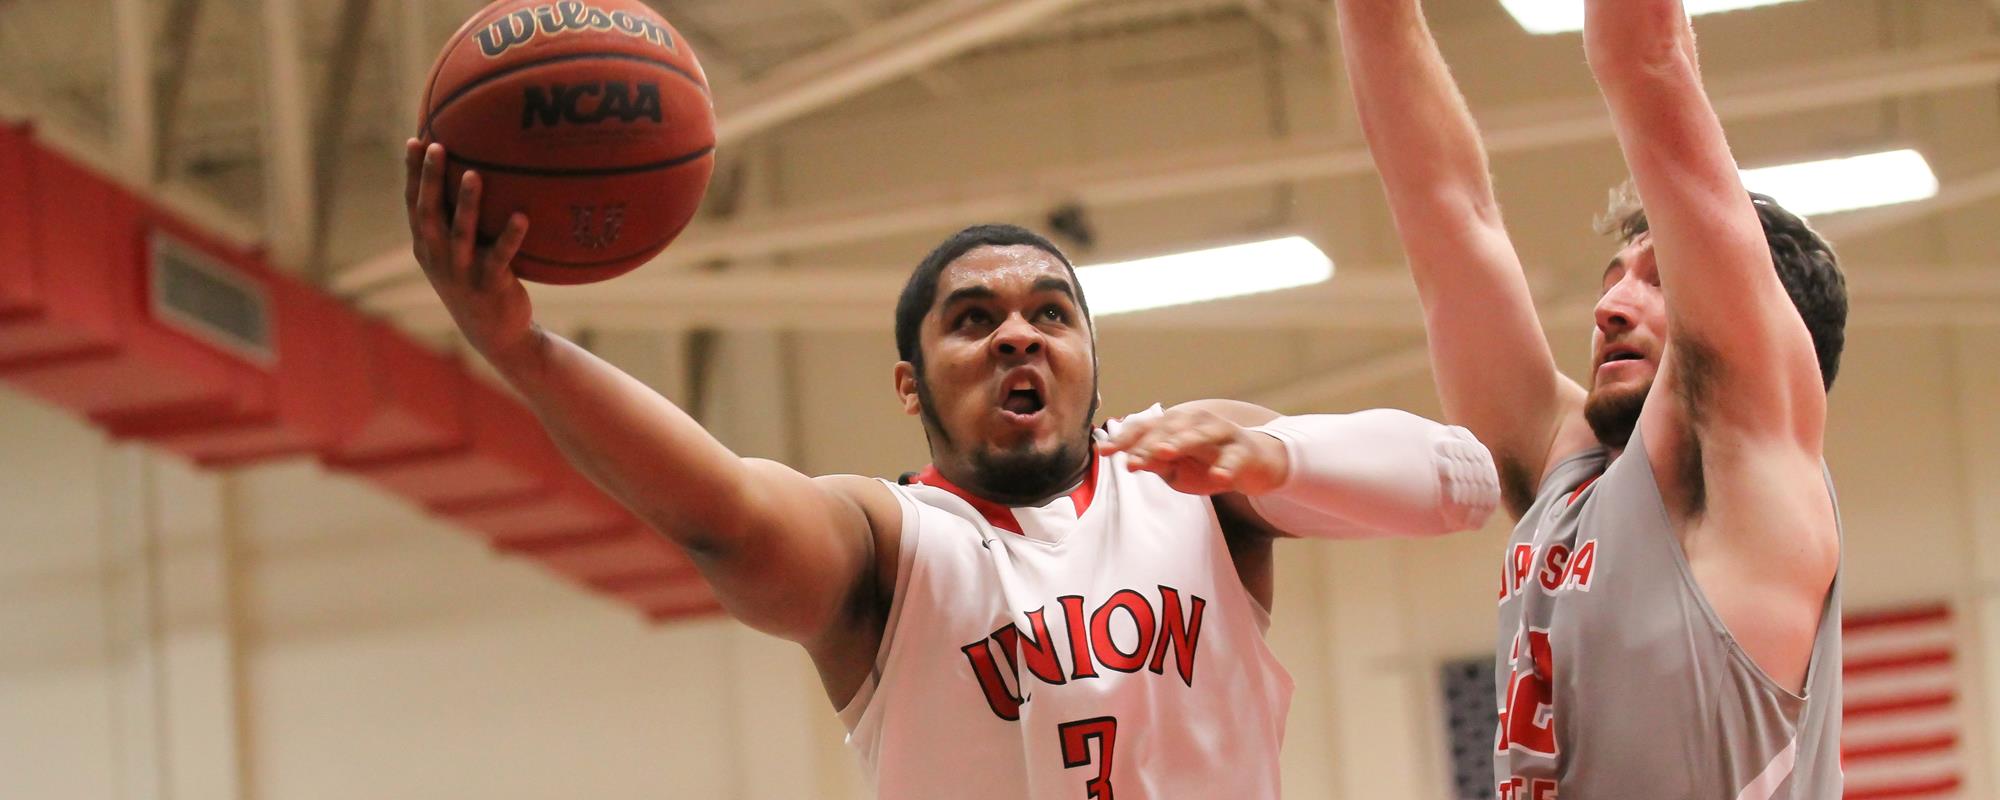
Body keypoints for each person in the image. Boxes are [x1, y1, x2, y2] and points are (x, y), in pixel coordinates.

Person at [402, 139, 1500, 797]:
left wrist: (1280, 452)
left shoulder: (1192, 478)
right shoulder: (889, 543)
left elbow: (1468, 480)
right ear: (909, 385)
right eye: (973, 319)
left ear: (1089, 358)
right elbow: (722, 512)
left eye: (1050, 314)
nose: (1017, 334)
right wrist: (522, 350)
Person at [1331, 0, 1848, 795]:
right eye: (1613, 280)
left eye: (1659, 281)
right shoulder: (1567, 475)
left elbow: (1647, 58)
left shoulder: (1757, 476)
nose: (1610, 307)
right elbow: (1444, 208)